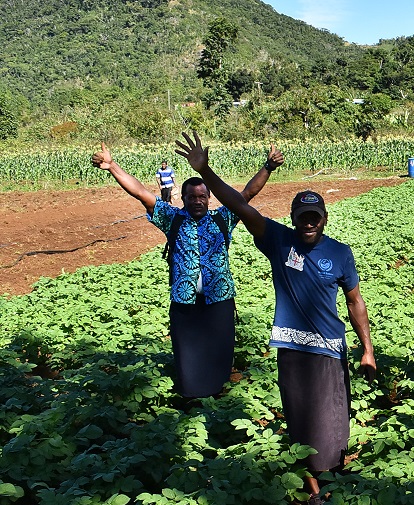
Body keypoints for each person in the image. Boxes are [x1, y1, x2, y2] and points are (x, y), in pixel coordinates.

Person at [175, 131, 376, 505]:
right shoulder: (278, 240)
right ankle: (316, 492)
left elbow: (355, 301)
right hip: (291, 349)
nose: (308, 224)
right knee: (300, 419)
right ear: (294, 219)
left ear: (324, 218)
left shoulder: (340, 253)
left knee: (334, 420)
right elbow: (239, 205)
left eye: (315, 217)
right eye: (302, 218)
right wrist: (207, 173)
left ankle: (333, 481)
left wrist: (367, 349)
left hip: (329, 348)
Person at [92, 139, 284, 400]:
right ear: (181, 198)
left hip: (220, 297)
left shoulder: (222, 218)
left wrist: (268, 167)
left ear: (209, 198)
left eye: (202, 196)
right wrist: (112, 166)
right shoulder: (172, 218)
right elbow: (140, 192)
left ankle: (217, 397)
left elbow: (248, 193)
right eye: (191, 197)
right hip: (184, 299)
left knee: (219, 350)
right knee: (188, 353)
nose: (197, 201)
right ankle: (191, 397)